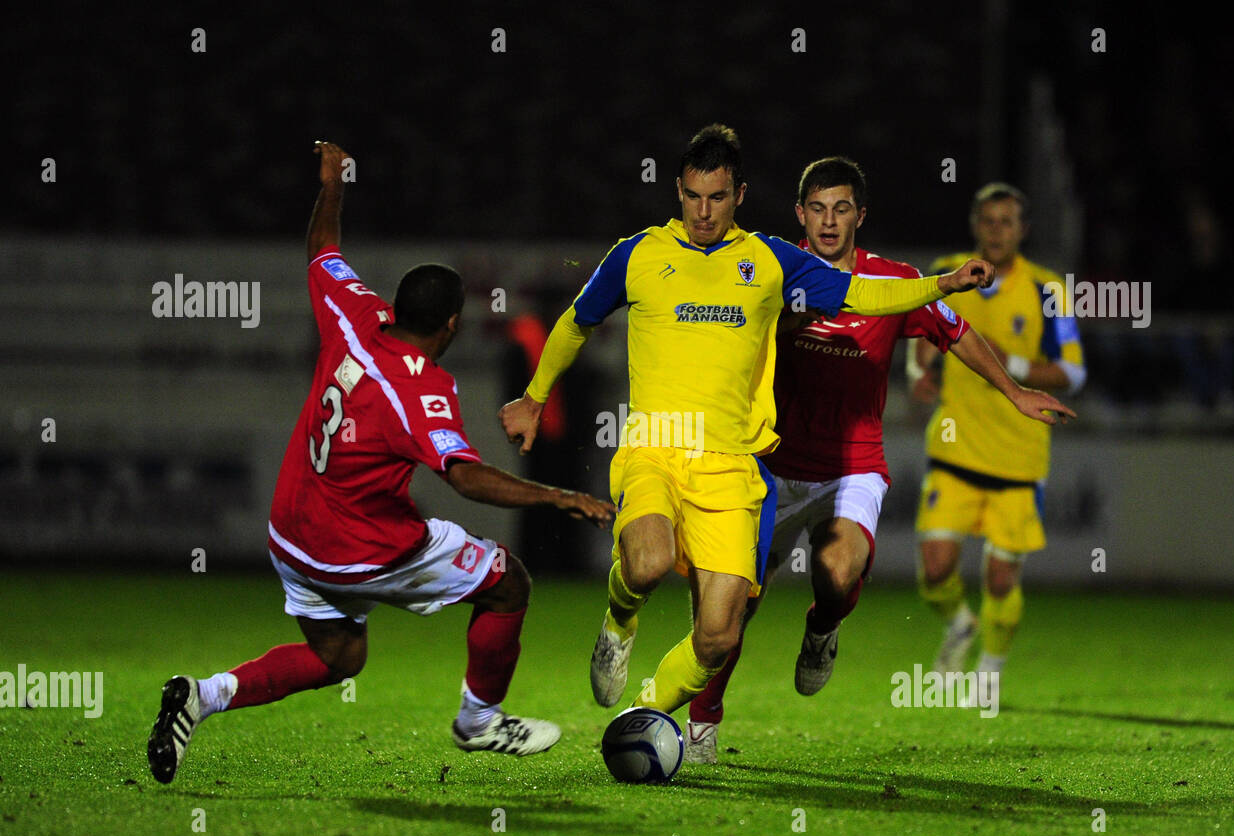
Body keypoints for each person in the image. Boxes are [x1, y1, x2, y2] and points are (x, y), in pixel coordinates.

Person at [146, 142, 613, 784]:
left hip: (292, 531)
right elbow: (466, 477)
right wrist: (561, 496)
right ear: (449, 325)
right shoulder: (423, 390)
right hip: (361, 548)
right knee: (508, 583)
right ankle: (480, 721)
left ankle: (201, 696)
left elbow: (321, 250)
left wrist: (333, 185)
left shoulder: (354, 314)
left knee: (338, 656)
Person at [499, 125, 1000, 723]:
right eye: (691, 196)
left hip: (732, 466)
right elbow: (577, 321)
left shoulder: (769, 260)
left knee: (718, 638)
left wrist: (940, 285)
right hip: (654, 449)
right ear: (677, 192)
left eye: (715, 197)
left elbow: (861, 296)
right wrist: (534, 396)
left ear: (739, 194)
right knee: (649, 562)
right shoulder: (638, 253)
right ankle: (620, 617)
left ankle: (645, 714)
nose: (702, 212)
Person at [682, 158, 1075, 762]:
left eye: (842, 208)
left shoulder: (894, 283)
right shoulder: (768, 271)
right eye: (817, 208)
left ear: (859, 216)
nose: (829, 221)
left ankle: (822, 629)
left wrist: (1017, 392)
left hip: (852, 468)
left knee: (837, 576)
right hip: (769, 464)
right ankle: (703, 724)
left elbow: (957, 331)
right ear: (799, 214)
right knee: (735, 604)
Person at [908, 182, 1086, 696]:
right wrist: (919, 370)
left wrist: (1004, 363)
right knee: (935, 570)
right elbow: (920, 328)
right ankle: (959, 624)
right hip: (955, 450)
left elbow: (1071, 373)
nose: (996, 230)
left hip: (1018, 458)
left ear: (1022, 230)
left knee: (1001, 580)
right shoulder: (951, 270)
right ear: (975, 224)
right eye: (988, 220)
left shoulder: (1047, 291)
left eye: (1006, 222)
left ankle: (991, 664)